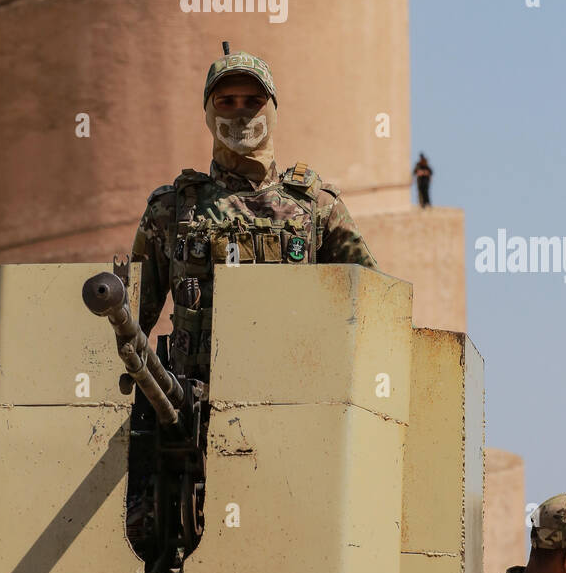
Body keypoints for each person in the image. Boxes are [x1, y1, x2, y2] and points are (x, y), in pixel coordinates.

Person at [131, 44, 382, 380]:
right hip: (191, 414)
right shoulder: (171, 209)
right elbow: (129, 321)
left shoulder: (317, 207)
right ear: (208, 111)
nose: (241, 114)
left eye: (253, 102)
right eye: (227, 102)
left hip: (298, 404)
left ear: (272, 111)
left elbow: (376, 308)